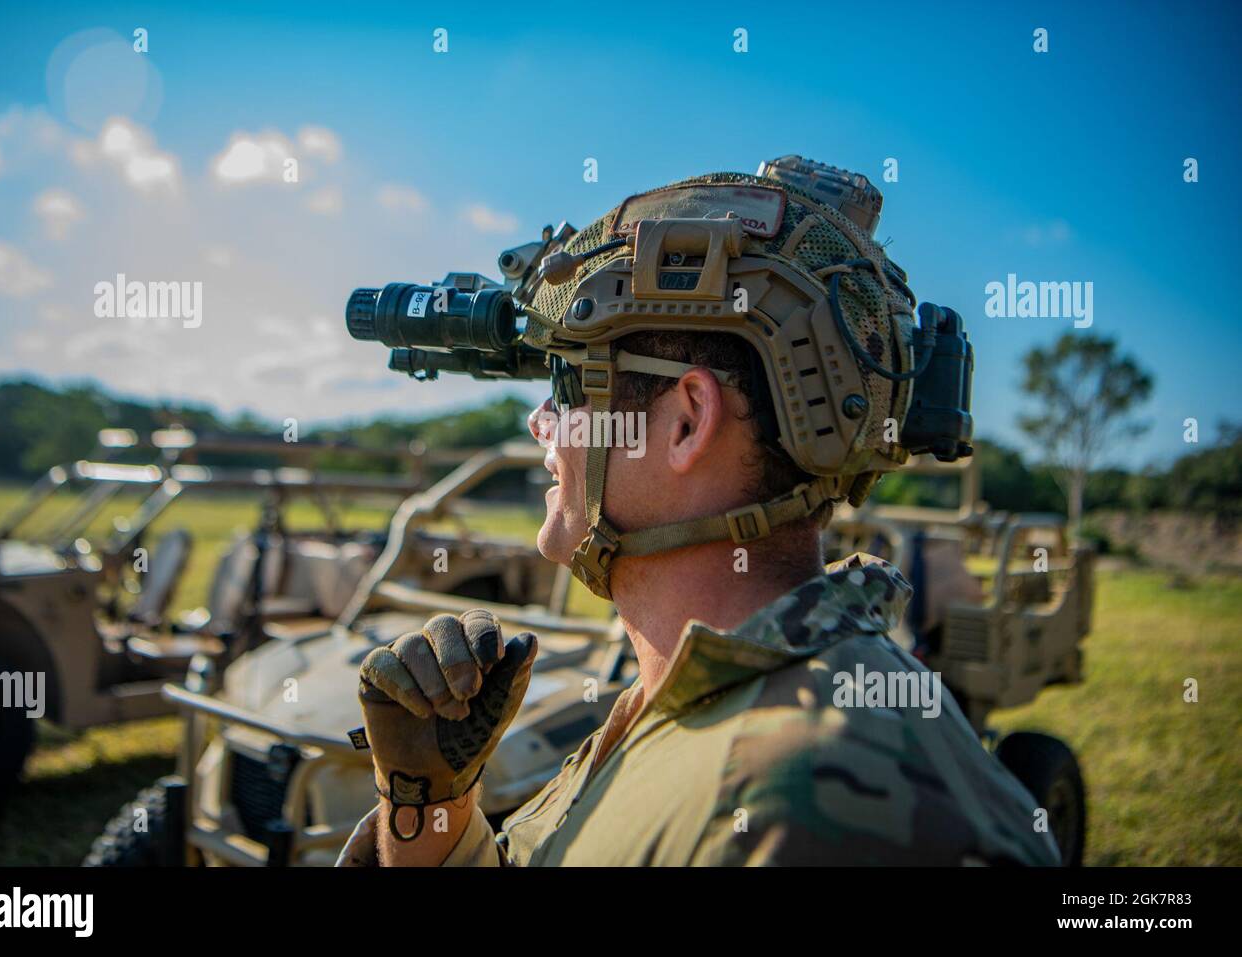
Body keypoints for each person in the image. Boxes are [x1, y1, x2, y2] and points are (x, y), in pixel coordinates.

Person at [338, 161, 1060, 866]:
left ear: (686, 421)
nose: (542, 421)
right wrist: (430, 809)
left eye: (567, 381)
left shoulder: (797, 805)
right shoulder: (693, 696)